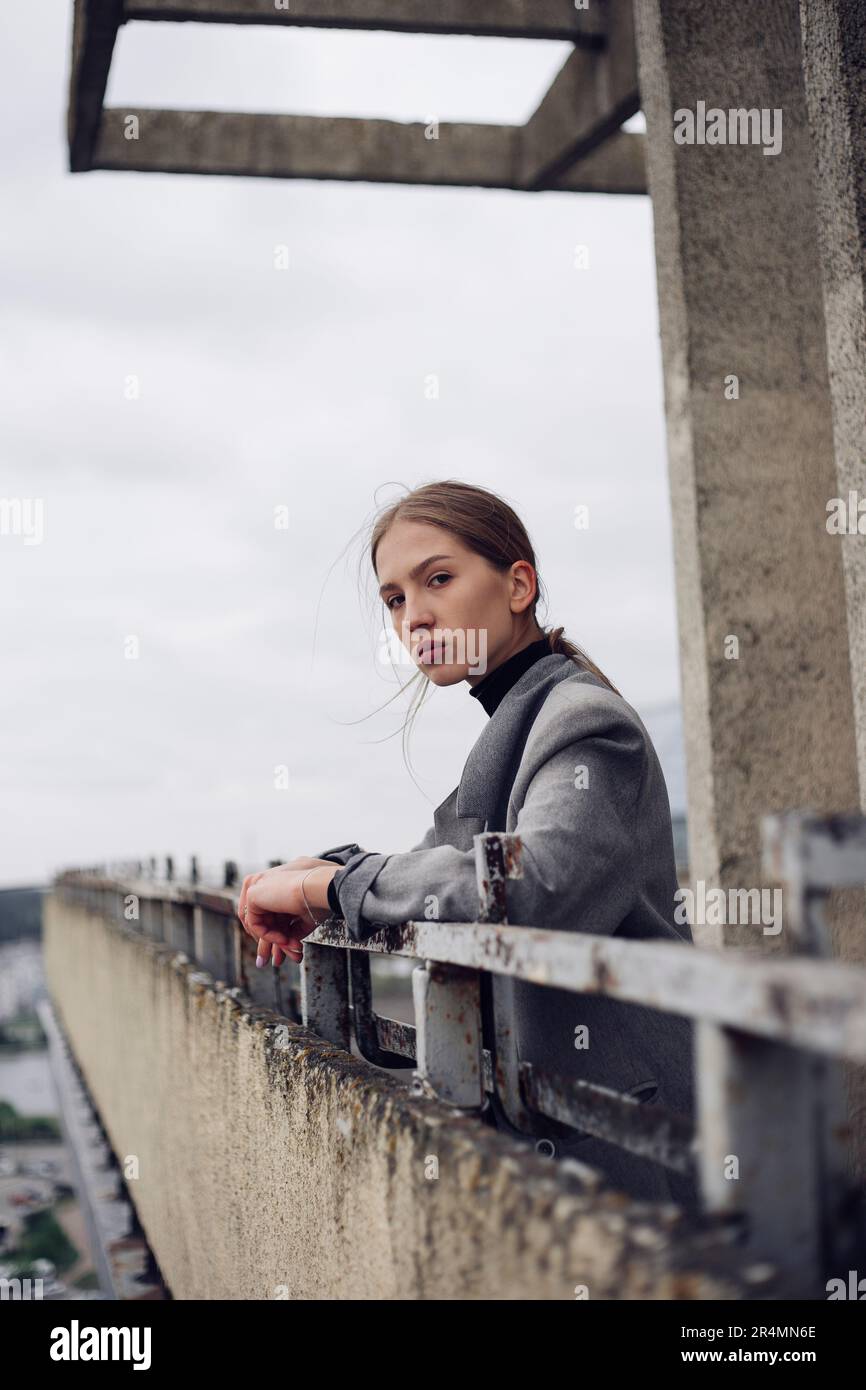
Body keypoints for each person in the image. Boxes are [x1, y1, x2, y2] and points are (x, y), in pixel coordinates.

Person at [237, 480, 699, 1211]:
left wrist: (325, 888)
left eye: (439, 579)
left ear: (519, 585)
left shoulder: (583, 724)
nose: (415, 617)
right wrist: (329, 873)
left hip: (628, 1133)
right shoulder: (515, 729)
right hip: (564, 1119)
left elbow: (529, 887)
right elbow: (440, 871)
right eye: (394, 600)